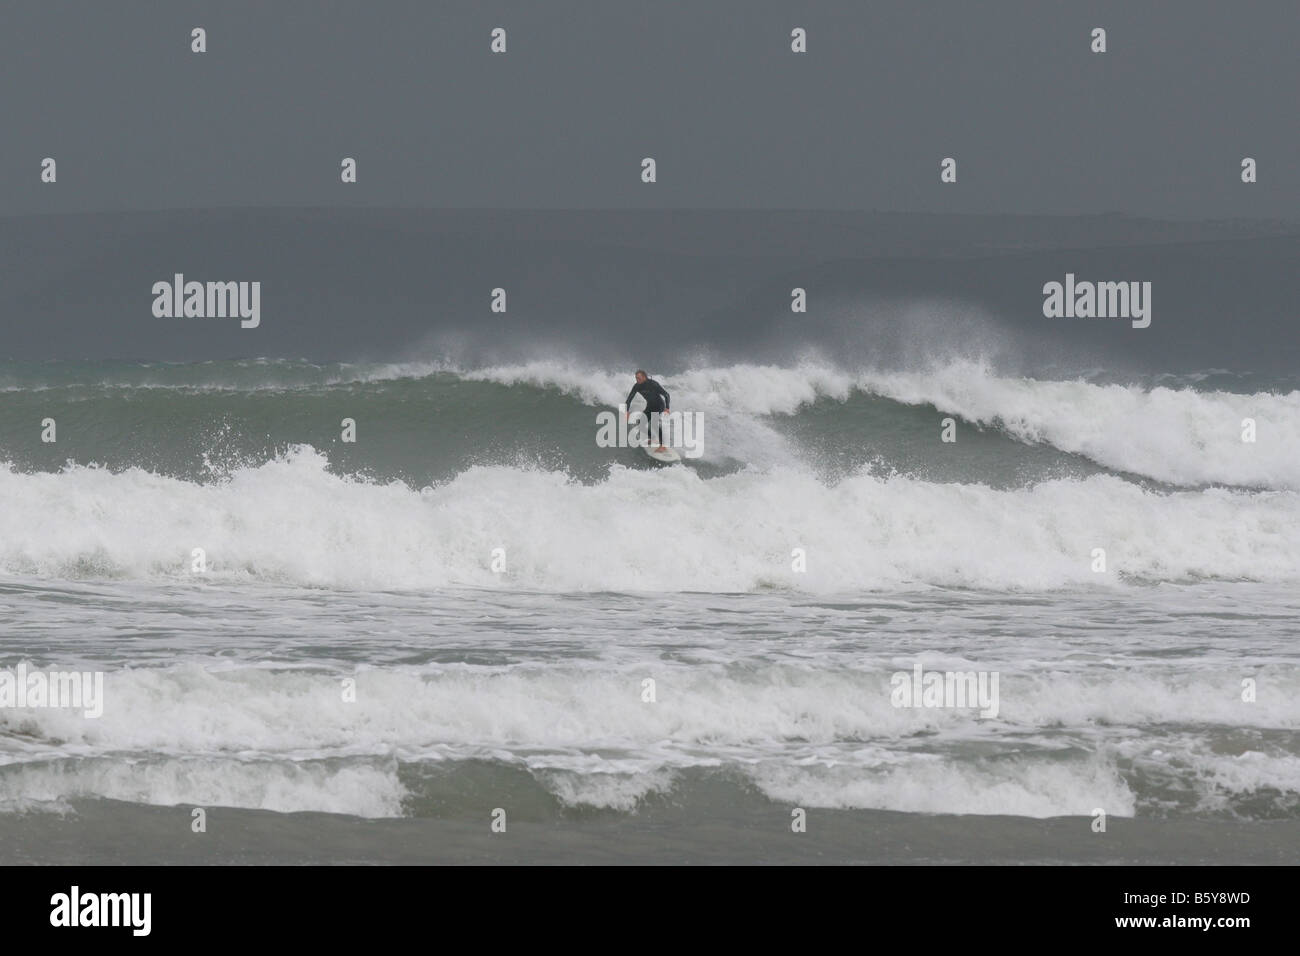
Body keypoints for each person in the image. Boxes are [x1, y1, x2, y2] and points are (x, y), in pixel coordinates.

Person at [624, 370, 671, 453]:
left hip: (659, 405)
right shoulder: (637, 386)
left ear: (644, 377)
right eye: (636, 378)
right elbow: (629, 400)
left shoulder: (653, 384)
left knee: (654, 424)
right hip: (650, 406)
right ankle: (653, 439)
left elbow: (666, 395)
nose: (637, 380)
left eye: (638, 378)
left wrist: (667, 408)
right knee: (640, 424)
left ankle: (663, 445)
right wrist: (627, 412)